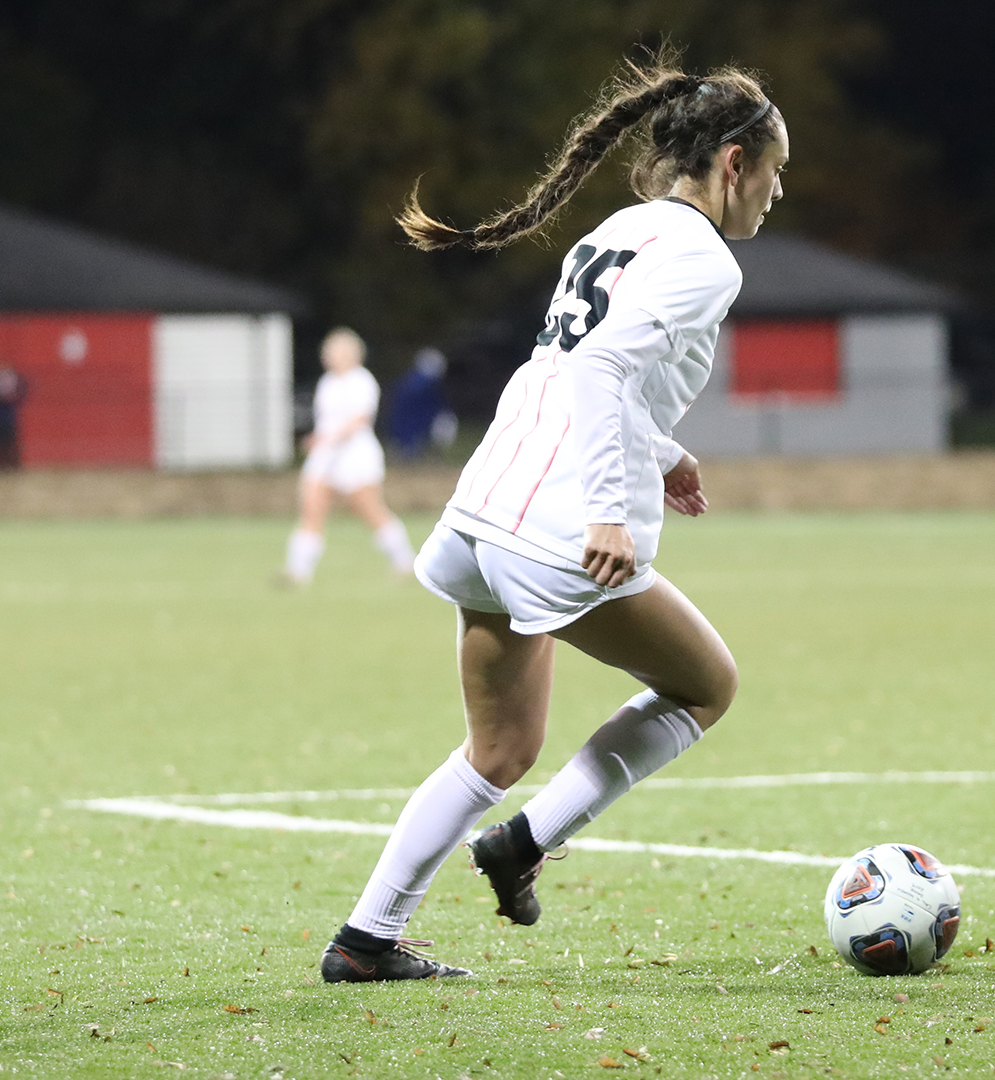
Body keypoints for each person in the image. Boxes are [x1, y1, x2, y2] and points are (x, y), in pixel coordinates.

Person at [318, 56, 787, 983]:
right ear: (734, 164)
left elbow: (565, 367)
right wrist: (612, 511)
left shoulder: (621, 230)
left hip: (483, 513)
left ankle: (366, 940)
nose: (779, 192)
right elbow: (601, 370)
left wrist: (662, 452)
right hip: (560, 526)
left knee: (498, 749)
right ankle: (524, 843)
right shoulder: (705, 259)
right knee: (705, 685)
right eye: (776, 171)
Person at [280, 328, 416, 585]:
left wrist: (329, 437)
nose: (332, 357)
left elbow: (359, 419)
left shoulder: (362, 381)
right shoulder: (327, 382)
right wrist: (320, 440)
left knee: (371, 510)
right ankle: (298, 571)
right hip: (326, 455)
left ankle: (405, 560)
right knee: (311, 508)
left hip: (355, 455)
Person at [387, 347, 457, 458]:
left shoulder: (411, 381)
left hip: (407, 423)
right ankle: (431, 456)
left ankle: (426, 455)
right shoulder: (422, 384)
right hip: (412, 423)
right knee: (446, 423)